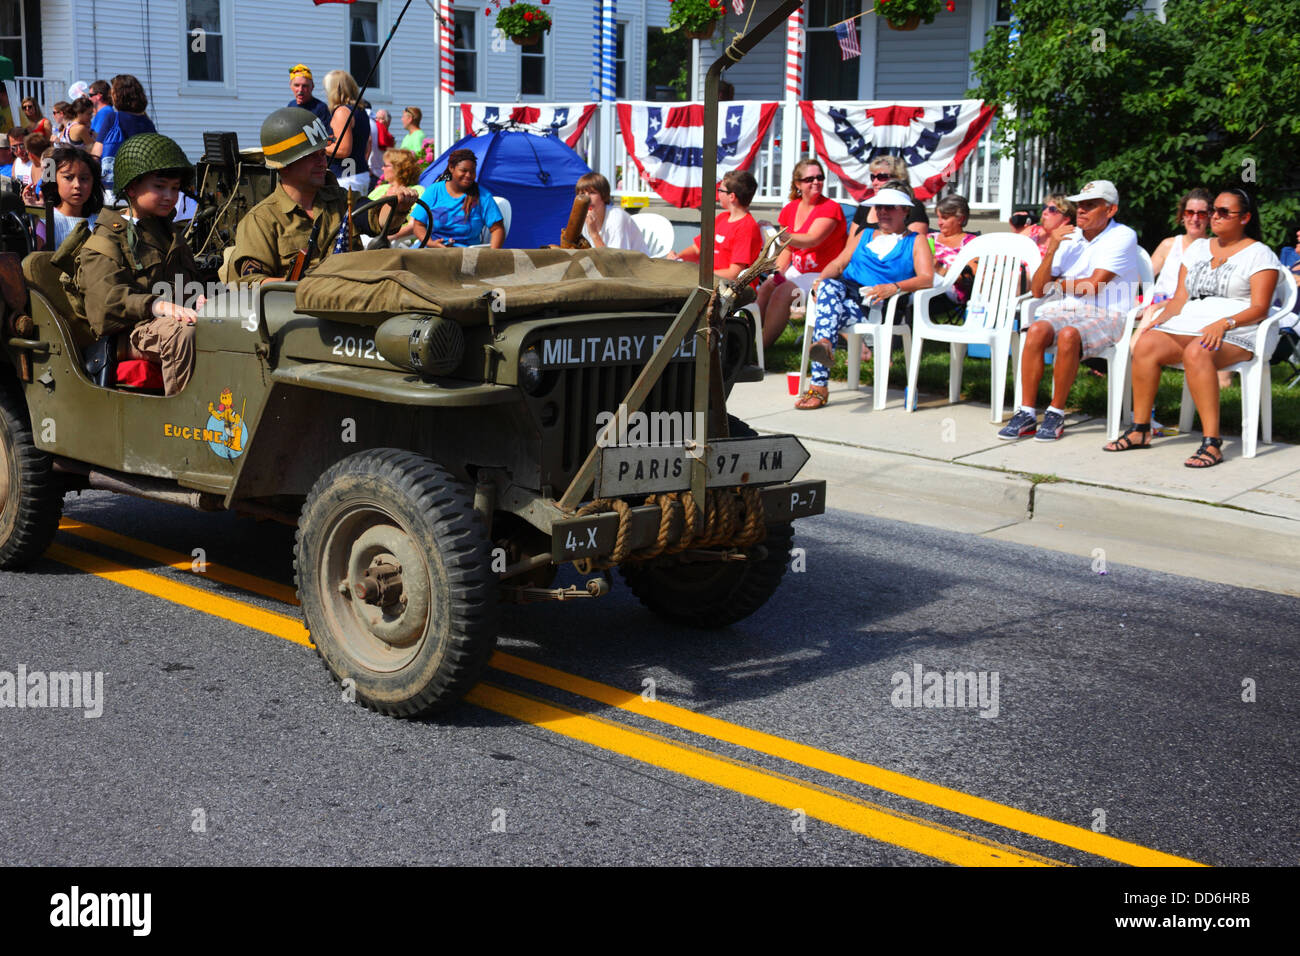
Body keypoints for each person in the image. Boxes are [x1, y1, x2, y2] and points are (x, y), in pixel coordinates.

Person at [1110, 188, 1281, 467]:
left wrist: (1224, 323)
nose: (1215, 216)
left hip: (1240, 328)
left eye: (1224, 212)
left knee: (1197, 352)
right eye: (1215, 210)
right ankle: (1141, 428)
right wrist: (1160, 320)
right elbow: (1180, 297)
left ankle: (1212, 442)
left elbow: (1260, 307)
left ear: (1245, 217)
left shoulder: (1259, 254)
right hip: (1193, 322)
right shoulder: (1199, 248)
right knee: (1146, 344)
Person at [999, 180, 1141, 442]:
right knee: (1036, 328)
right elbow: (1040, 290)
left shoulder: (1122, 235)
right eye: (1080, 206)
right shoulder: (1068, 236)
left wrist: (1059, 284)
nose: (1081, 211)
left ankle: (1055, 412)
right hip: (1068, 309)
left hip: (1109, 314)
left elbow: (1094, 286)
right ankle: (1027, 411)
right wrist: (1052, 248)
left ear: (1110, 210)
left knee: (1068, 334)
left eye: (1090, 206)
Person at [72, 134, 204, 396]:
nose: (170, 196)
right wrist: (156, 304)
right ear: (131, 188)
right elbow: (107, 301)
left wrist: (200, 299)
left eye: (175, 188)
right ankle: (183, 425)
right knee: (182, 333)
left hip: (164, 323)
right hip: (128, 333)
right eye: (160, 186)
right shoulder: (107, 238)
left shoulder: (168, 233)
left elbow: (187, 283)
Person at [226, 107, 417, 284]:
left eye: (322, 153)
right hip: (298, 311)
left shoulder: (340, 200)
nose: (322, 162)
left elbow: (376, 218)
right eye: (311, 155)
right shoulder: (262, 220)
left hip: (352, 299)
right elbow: (251, 283)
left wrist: (398, 207)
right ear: (284, 164)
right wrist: (301, 284)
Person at [794, 184, 935, 410]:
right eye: (879, 207)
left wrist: (894, 286)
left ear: (905, 211)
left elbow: (927, 278)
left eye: (889, 207)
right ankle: (825, 347)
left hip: (877, 307)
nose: (882, 212)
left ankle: (819, 380)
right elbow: (839, 263)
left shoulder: (915, 241)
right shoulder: (865, 234)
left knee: (828, 313)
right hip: (845, 295)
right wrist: (819, 281)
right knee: (829, 285)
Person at [755, 158, 845, 348]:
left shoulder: (830, 208)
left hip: (823, 274)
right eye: (809, 179)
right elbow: (788, 247)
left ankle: (761, 349)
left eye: (819, 177)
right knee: (766, 288)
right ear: (798, 184)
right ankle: (746, 341)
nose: (816, 182)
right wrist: (777, 272)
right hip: (799, 270)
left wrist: (779, 234)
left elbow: (813, 239)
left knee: (783, 292)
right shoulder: (790, 208)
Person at [667, 170, 762, 281]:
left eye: (720, 190)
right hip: (708, 281)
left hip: (729, 291)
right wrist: (677, 258)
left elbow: (733, 274)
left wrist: (697, 276)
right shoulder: (722, 218)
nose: (718, 193)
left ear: (731, 196)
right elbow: (698, 248)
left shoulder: (746, 228)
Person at [409, 148, 505, 248]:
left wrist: (491, 256)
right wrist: (430, 243)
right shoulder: (434, 191)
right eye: (463, 170)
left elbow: (497, 229)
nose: (468, 175)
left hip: (464, 255)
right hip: (429, 249)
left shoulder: (483, 196)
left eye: (472, 171)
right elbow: (418, 224)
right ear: (451, 168)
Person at [92, 75, 157, 196]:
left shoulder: (112, 118)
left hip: (113, 188)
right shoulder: (148, 123)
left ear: (119, 95)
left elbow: (97, 153)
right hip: (140, 187)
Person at [32, 147, 104, 249]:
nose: (77, 185)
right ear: (54, 180)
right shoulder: (45, 222)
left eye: (84, 179)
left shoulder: (102, 223)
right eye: (68, 177)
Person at [1150, 189, 1214, 303]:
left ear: (1209, 217)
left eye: (1201, 214)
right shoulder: (1168, 245)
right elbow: (1143, 278)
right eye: (1190, 213)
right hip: (1157, 306)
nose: (1195, 219)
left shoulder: (1215, 248)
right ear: (1183, 216)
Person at [850, 155, 928, 239]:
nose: (874, 183)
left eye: (881, 177)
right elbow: (850, 245)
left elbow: (912, 245)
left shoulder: (913, 206)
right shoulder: (865, 206)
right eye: (873, 177)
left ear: (899, 178)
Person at [927, 193, 978, 314]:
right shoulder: (929, 238)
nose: (939, 222)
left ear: (960, 218)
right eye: (938, 217)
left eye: (944, 218)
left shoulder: (971, 243)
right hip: (926, 284)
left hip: (952, 291)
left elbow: (971, 276)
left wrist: (940, 270)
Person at [323, 70, 371, 194]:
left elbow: (343, 150)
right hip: (360, 173)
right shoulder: (361, 111)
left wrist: (318, 148)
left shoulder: (342, 112)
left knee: (343, 214)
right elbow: (367, 144)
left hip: (345, 177)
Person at [577, 172, 647, 253]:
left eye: (592, 193)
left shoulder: (617, 218)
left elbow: (616, 260)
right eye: (582, 193)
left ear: (603, 195)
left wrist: (594, 234)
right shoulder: (583, 218)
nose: (587, 198)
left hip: (637, 263)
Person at [368, 148, 425, 242]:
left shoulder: (415, 191)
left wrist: (385, 238)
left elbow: (414, 225)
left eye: (386, 165)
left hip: (398, 241)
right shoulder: (381, 189)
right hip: (372, 235)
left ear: (399, 168)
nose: (382, 168)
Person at [87, 80, 115, 146]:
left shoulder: (104, 112)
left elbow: (97, 137)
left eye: (90, 95)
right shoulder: (103, 111)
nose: (89, 98)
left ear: (99, 96)